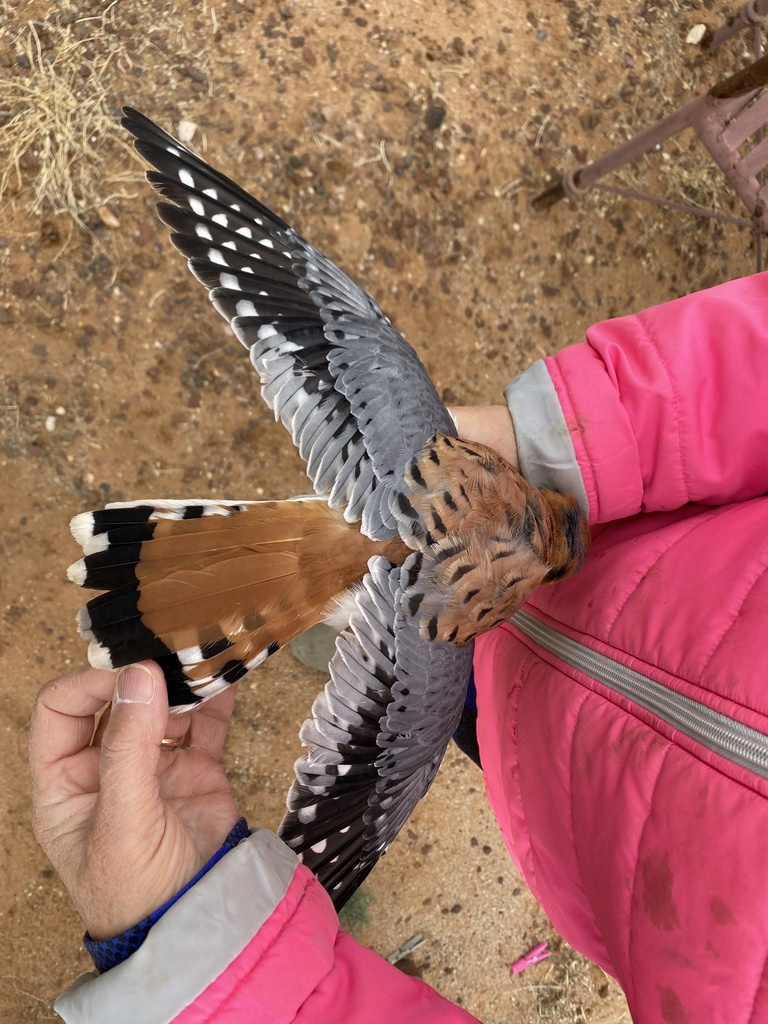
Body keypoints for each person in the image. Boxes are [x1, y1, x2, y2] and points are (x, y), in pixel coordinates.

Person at [30, 271, 768, 1023]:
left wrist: (206, 947)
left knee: (431, 698)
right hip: (473, 666)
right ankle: (364, 616)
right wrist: (576, 439)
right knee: (423, 709)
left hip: (502, 701)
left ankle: (362, 616)